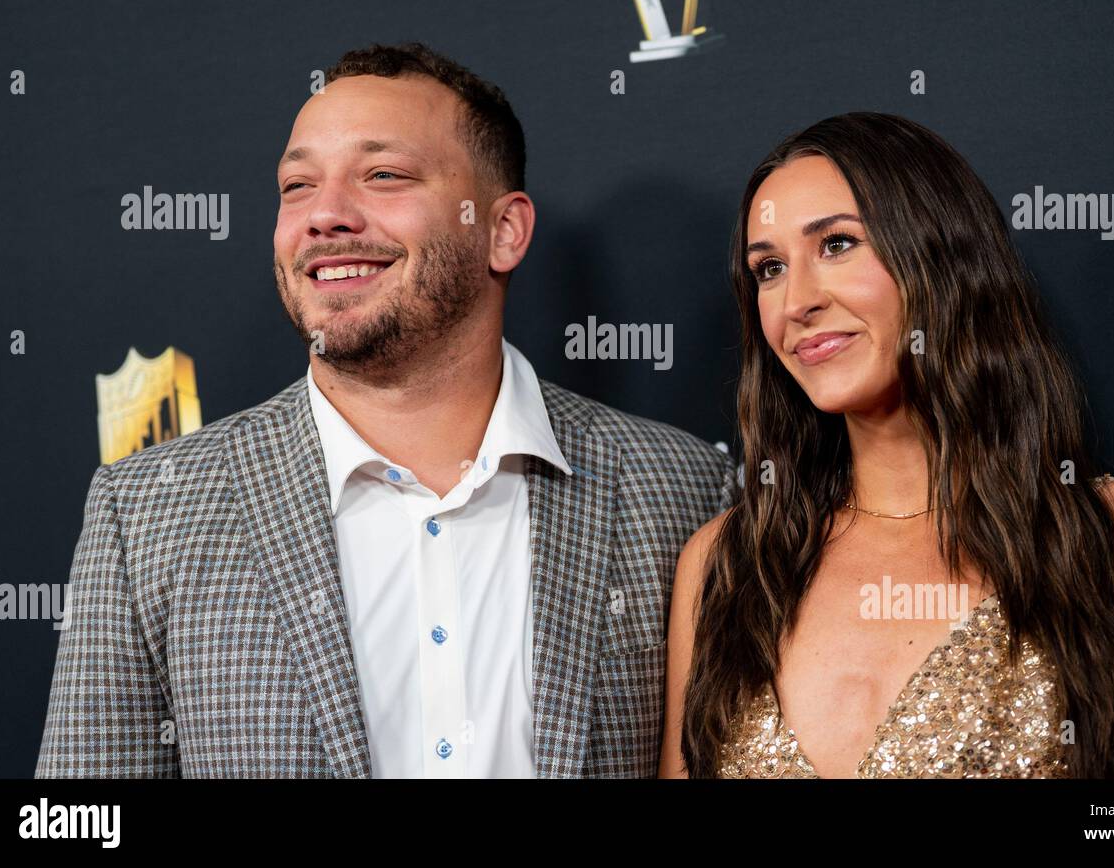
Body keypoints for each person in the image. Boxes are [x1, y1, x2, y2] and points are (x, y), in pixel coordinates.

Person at [37, 41, 734, 778]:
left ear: (503, 231)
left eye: (383, 175)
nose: (325, 215)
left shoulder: (682, 489)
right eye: (297, 186)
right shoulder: (146, 511)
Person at [659, 112, 1114, 778]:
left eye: (838, 245)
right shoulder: (725, 567)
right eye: (767, 269)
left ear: (941, 256)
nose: (796, 302)